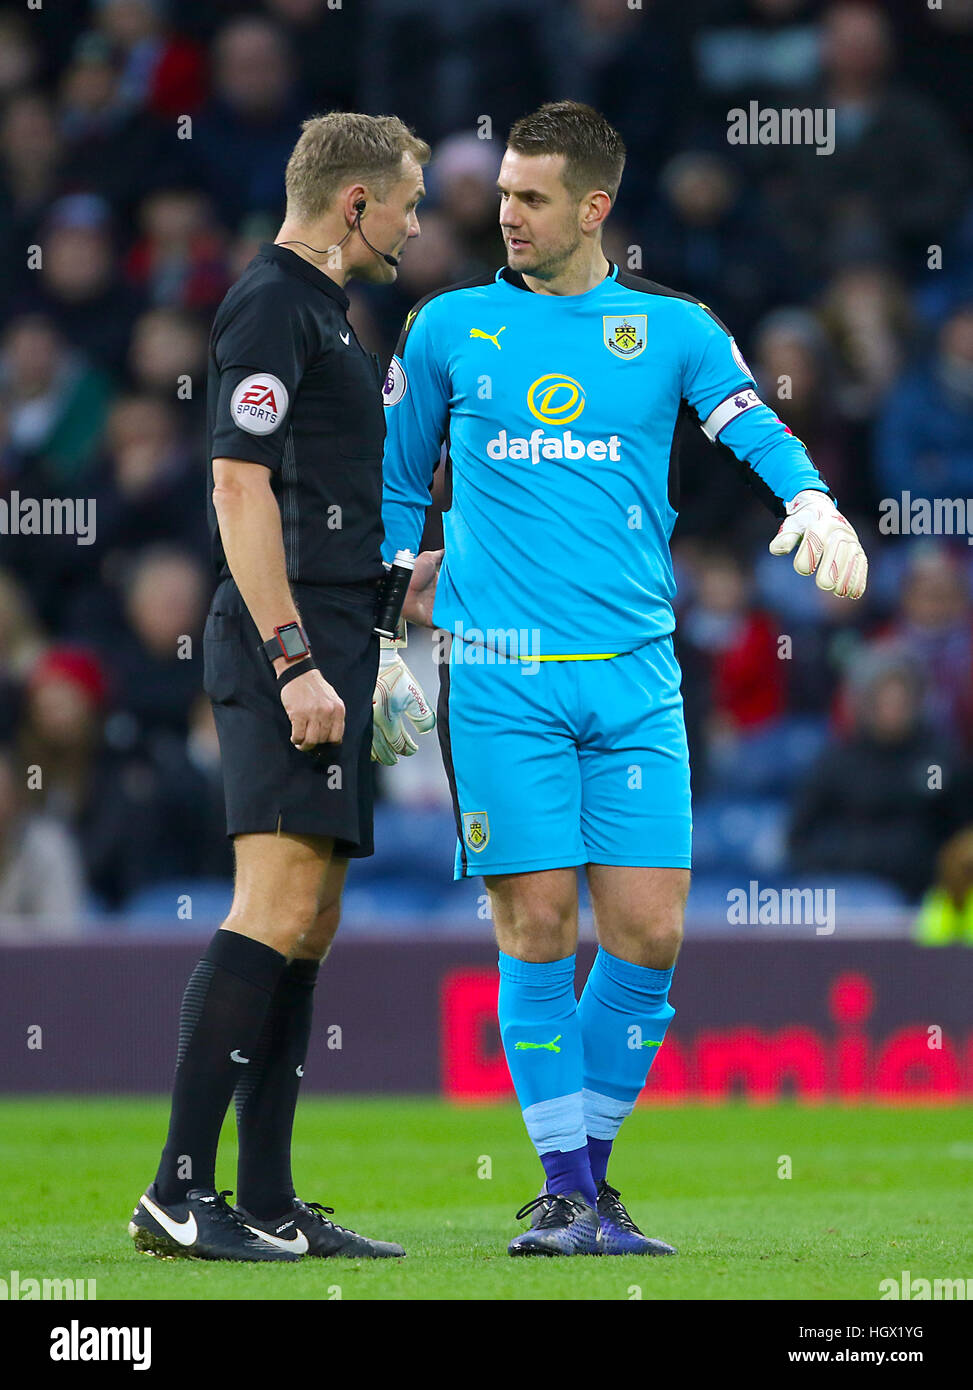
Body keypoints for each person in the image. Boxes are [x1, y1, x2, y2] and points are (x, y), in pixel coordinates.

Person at [376, 100, 867, 1257]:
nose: (506, 213)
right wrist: (382, 636)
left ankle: (588, 1186)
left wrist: (810, 498)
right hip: (500, 676)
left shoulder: (675, 330)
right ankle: (562, 1192)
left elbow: (749, 426)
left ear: (595, 207)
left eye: (532, 198)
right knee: (537, 924)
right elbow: (403, 491)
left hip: (639, 676)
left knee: (646, 936)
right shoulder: (446, 327)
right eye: (501, 192)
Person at [129, 111, 432, 1263]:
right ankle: (176, 1191)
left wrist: (391, 582)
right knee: (272, 907)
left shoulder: (322, 314)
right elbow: (238, 489)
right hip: (284, 643)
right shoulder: (270, 301)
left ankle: (263, 1199)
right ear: (354, 202)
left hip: (335, 628)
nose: (413, 221)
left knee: (308, 922)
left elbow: (314, 498)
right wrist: (298, 656)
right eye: (403, 200)